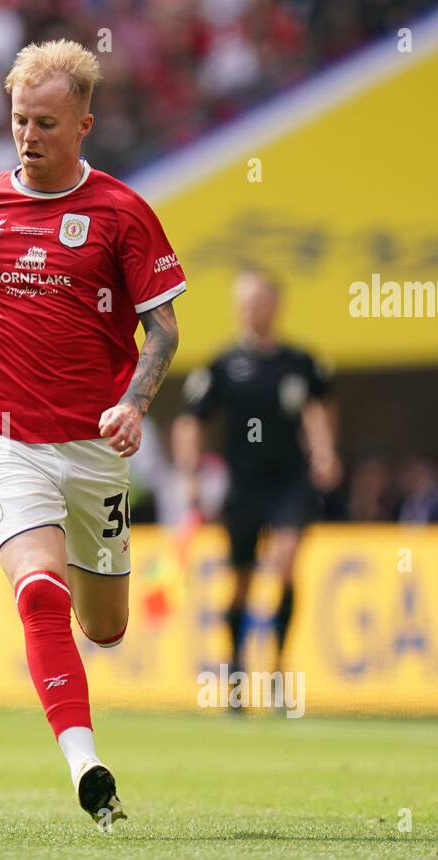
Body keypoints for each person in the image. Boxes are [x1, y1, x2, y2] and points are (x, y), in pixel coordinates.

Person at [0, 40, 186, 823]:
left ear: (85, 124)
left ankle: (94, 621)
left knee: (104, 627)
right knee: (39, 594)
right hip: (2, 431)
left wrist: (136, 401)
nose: (28, 136)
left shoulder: (121, 213)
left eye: (46, 122)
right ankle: (86, 764)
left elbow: (167, 330)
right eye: (19, 121)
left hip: (92, 445)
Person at [173, 269, 339, 696]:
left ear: (275, 306)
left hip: (289, 481)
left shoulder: (299, 362)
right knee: (241, 582)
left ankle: (281, 669)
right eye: (244, 303)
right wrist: (190, 475)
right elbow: (191, 421)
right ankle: (236, 673)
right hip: (243, 486)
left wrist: (323, 453)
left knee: (284, 565)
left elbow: (317, 411)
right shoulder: (223, 365)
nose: (251, 310)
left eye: (259, 302)